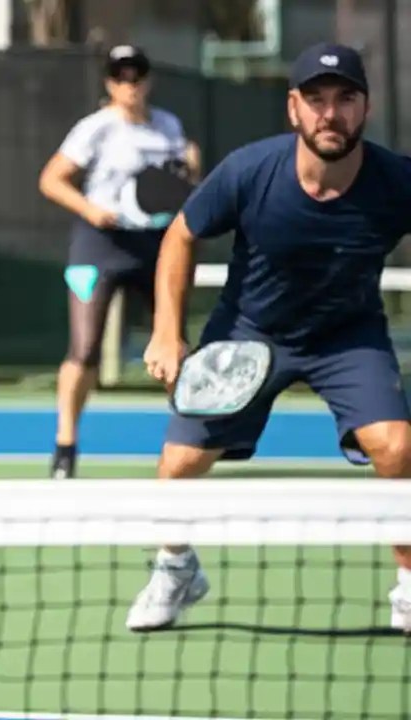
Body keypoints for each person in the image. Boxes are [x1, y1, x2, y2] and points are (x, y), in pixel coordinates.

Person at [127, 42, 411, 632]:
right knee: (178, 465)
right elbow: (180, 236)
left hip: (348, 335)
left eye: (345, 99)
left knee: (398, 447)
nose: (329, 114)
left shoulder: (396, 181)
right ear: (293, 109)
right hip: (249, 332)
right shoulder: (250, 170)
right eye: (316, 100)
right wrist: (165, 332)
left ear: (365, 108)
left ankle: (409, 587)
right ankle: (176, 569)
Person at [38, 45, 202, 479]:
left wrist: (190, 171)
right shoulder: (94, 129)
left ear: (148, 80)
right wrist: (91, 210)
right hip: (98, 246)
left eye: (137, 76)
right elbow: (51, 179)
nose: (130, 85)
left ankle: (188, 446)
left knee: (173, 346)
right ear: (109, 83)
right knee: (84, 349)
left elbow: (182, 182)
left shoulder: (169, 127)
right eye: (120, 77)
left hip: (155, 246)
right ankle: (65, 447)